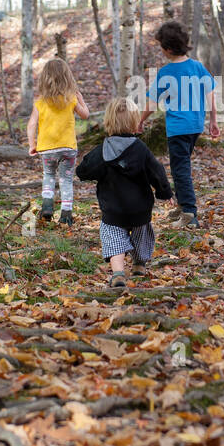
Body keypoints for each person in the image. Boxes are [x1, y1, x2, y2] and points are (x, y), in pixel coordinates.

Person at [76, 97, 173, 289]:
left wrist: (85, 172)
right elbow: (157, 171)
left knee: (114, 239)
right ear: (134, 122)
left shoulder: (102, 150)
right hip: (140, 208)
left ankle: (118, 273)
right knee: (141, 234)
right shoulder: (141, 149)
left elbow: (84, 170)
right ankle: (139, 264)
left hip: (114, 209)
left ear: (109, 122)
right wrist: (165, 192)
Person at [138, 21, 220, 228]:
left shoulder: (166, 73)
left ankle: (190, 213)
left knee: (180, 169)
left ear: (167, 49)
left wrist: (139, 120)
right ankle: (183, 205)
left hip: (178, 129)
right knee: (180, 166)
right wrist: (213, 120)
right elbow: (210, 94)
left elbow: (152, 103)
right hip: (195, 126)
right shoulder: (197, 67)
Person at [27, 57, 89, 224]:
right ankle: (66, 214)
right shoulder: (71, 99)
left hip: (47, 148)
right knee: (66, 179)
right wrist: (81, 99)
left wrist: (32, 144)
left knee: (48, 174)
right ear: (67, 77)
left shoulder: (40, 102)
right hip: (68, 148)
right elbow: (85, 115)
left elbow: (32, 124)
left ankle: (47, 205)